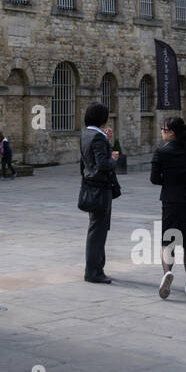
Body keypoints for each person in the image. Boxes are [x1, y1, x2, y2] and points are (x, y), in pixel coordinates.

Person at [151, 115, 186, 298]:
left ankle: (167, 274)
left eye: (163, 130)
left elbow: (154, 179)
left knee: (167, 242)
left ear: (171, 133)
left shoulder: (161, 152)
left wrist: (168, 181)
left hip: (170, 201)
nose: (161, 132)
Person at [79, 102, 121, 284]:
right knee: (98, 231)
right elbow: (103, 164)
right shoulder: (97, 137)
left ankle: (98, 268)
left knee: (97, 228)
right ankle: (93, 272)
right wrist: (113, 158)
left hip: (90, 186)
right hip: (100, 188)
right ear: (102, 118)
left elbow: (89, 162)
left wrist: (107, 142)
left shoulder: (87, 134)